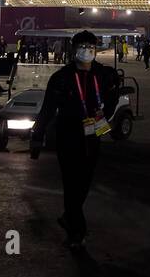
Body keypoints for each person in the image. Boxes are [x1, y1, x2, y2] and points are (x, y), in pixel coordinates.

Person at [31, 31, 116, 249]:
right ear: (73, 48)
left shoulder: (104, 75)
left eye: (91, 46)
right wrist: (37, 136)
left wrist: (103, 114)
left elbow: (112, 97)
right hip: (68, 135)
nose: (87, 50)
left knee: (85, 182)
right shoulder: (61, 78)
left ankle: (69, 216)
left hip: (93, 137)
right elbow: (48, 109)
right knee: (71, 183)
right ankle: (77, 231)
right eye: (82, 46)